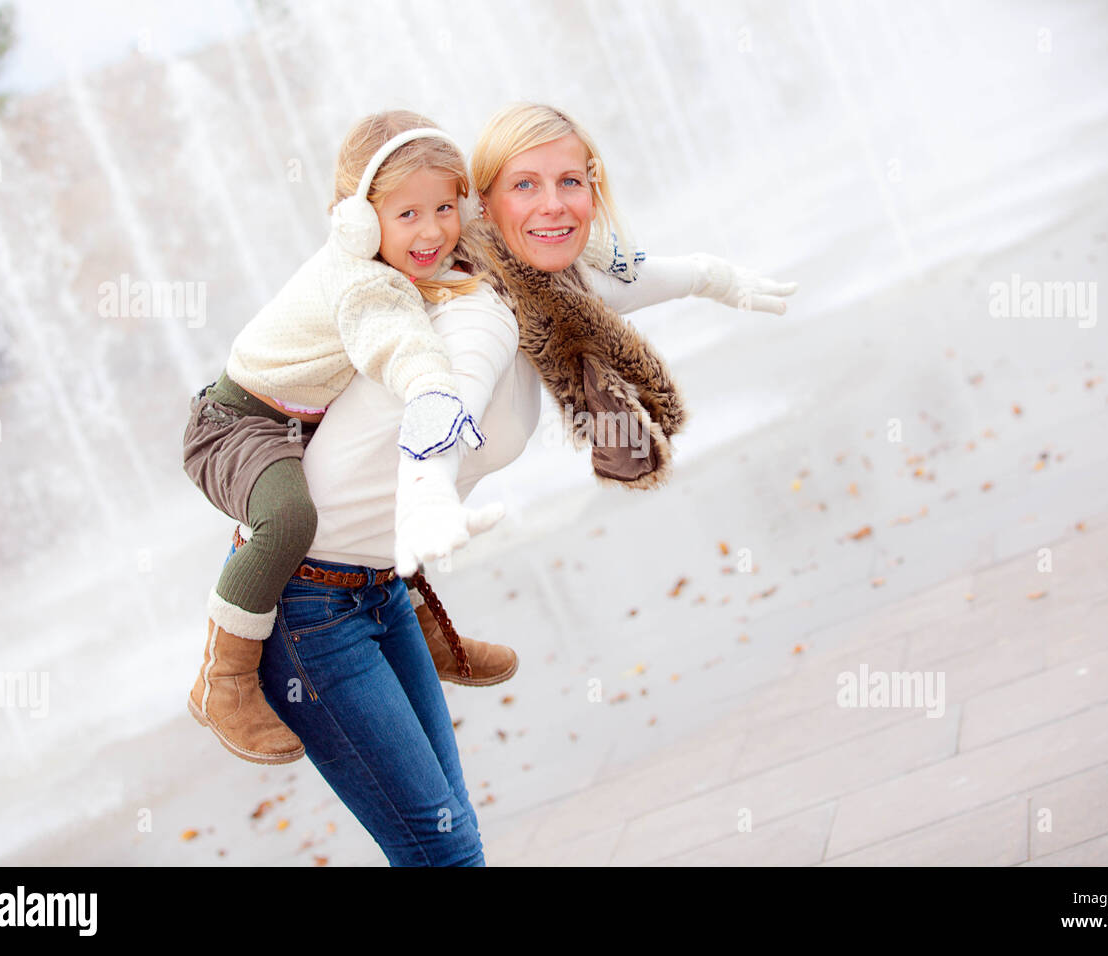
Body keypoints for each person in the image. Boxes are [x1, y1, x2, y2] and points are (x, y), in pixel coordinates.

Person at [253, 102, 797, 865]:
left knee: (444, 839)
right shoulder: (476, 313)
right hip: (306, 609)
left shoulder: (532, 292)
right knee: (444, 850)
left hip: (380, 591)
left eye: (570, 182)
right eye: (525, 186)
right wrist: (430, 490)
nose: (552, 206)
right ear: (487, 201)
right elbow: (446, 402)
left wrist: (719, 278)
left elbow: (624, 284)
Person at [182, 110, 512, 766]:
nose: (433, 230)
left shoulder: (399, 263)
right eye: (408, 215)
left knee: (369, 485)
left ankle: (422, 620)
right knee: (289, 516)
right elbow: (394, 339)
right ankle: (222, 680)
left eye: (445, 206)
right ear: (358, 221)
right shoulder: (364, 280)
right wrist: (432, 391)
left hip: (295, 419)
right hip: (236, 422)